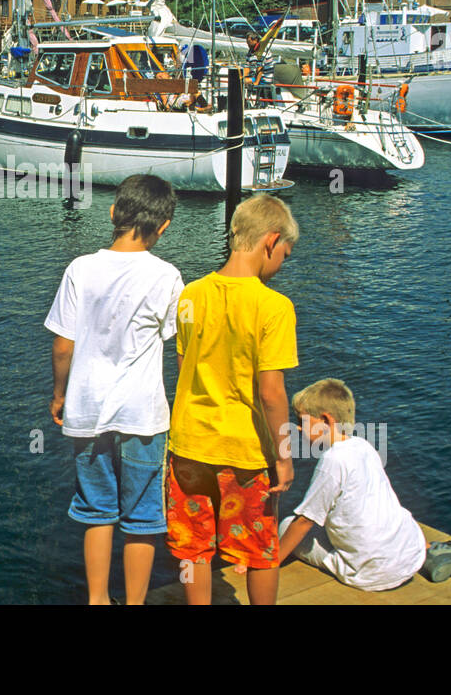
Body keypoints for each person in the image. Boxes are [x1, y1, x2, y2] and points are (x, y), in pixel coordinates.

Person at [45, 174, 184, 605]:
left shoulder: (79, 269)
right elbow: (181, 346)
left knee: (95, 509)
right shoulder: (167, 276)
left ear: (112, 213)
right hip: (143, 414)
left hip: (87, 411)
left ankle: (98, 600)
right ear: (163, 226)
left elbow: (63, 345)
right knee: (143, 515)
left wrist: (58, 395)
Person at [166, 195, 299, 605]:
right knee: (259, 550)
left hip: (189, 444)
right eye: (285, 255)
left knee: (193, 546)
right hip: (244, 452)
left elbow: (186, 365)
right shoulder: (274, 306)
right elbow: (271, 391)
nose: (281, 264)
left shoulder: (191, 294)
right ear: (270, 241)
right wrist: (283, 454)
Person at [277, 378, 451, 589]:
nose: (299, 429)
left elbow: (304, 522)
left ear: (326, 420)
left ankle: (418, 556)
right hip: (408, 556)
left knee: (286, 525)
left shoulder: (332, 460)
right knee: (391, 511)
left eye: (302, 421)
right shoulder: (363, 445)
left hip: (371, 574)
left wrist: (270, 564)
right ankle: (429, 552)